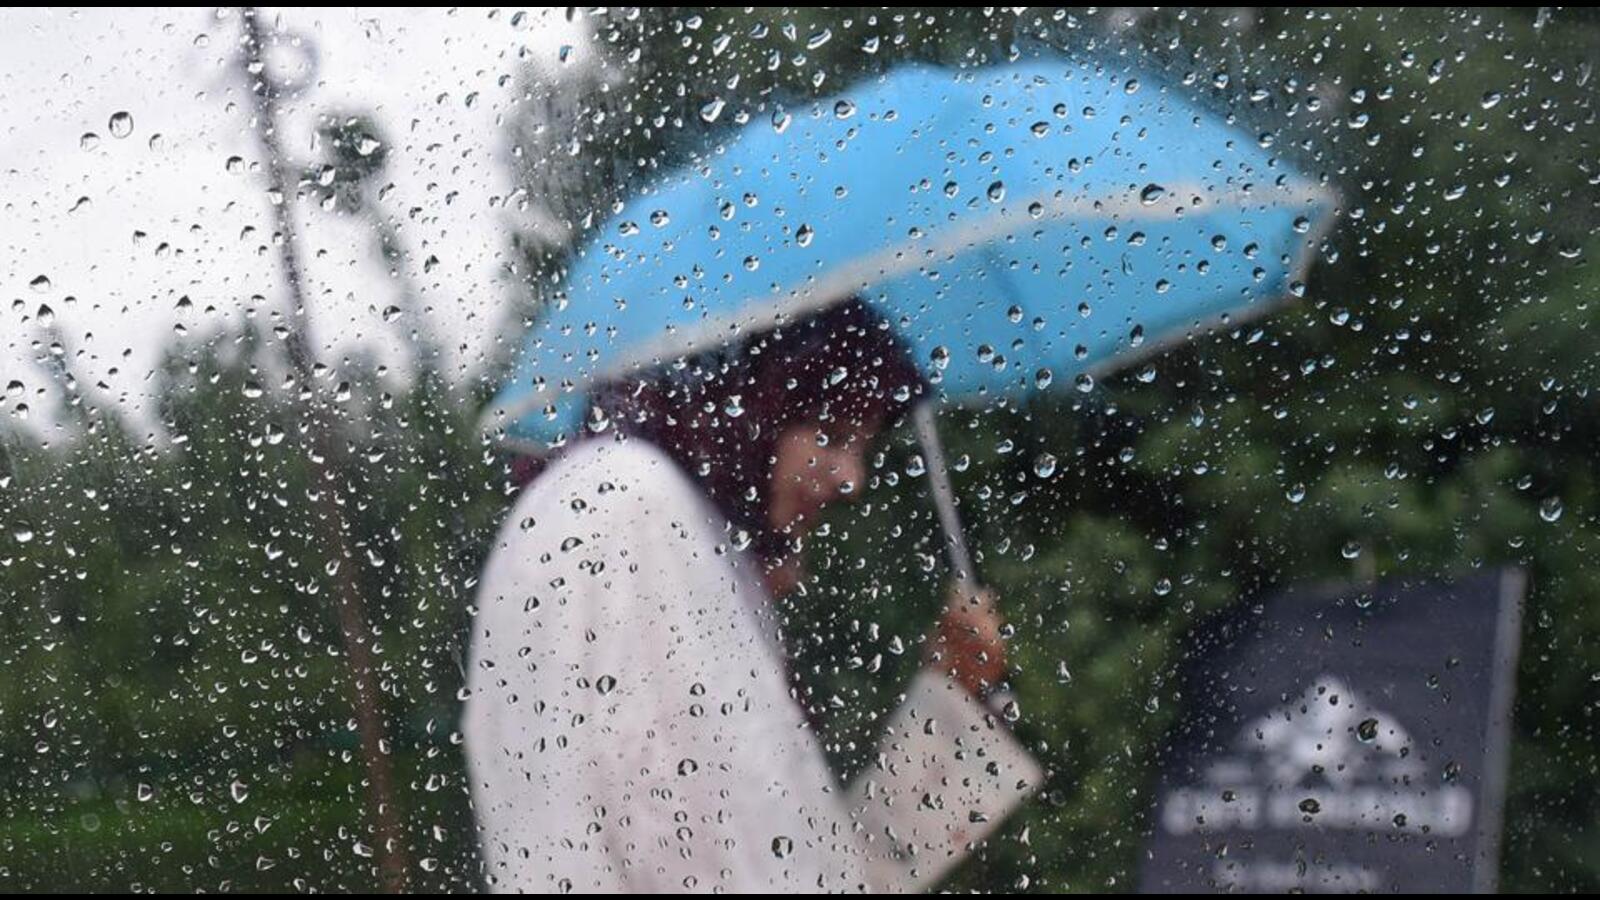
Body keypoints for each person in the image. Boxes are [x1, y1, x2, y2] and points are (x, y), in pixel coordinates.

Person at [462, 299, 1036, 893]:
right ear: (748, 406)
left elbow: (802, 861)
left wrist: (950, 700)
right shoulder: (634, 513)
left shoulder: (647, 515)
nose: (851, 478)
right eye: (830, 433)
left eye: (862, 446)